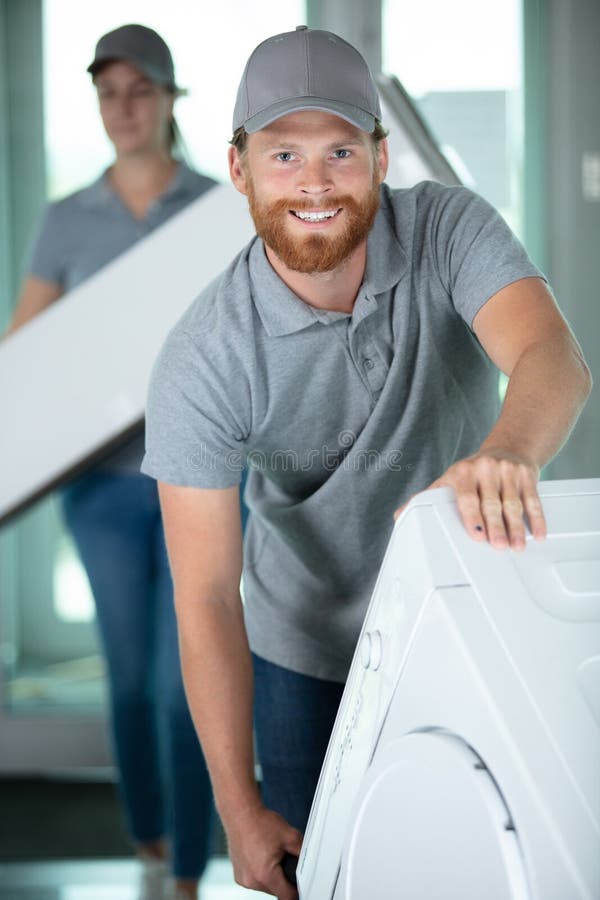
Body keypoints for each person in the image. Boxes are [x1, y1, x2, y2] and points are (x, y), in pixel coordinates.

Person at [140, 26, 592, 900]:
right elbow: (203, 597)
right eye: (284, 155)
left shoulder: (449, 227)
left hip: (471, 615)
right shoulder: (203, 359)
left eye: (341, 149)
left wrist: (503, 453)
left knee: (495, 867)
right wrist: (238, 809)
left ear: (380, 157)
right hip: (304, 655)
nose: (314, 181)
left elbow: (552, 355)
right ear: (239, 170)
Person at [6, 24, 218, 900]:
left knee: (188, 686)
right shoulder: (68, 219)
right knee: (129, 682)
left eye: (140, 91)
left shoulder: (218, 205)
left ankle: (197, 864)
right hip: (101, 494)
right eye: (108, 93)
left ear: (170, 100)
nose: (123, 109)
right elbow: (27, 350)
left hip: (203, 479)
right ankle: (149, 835)